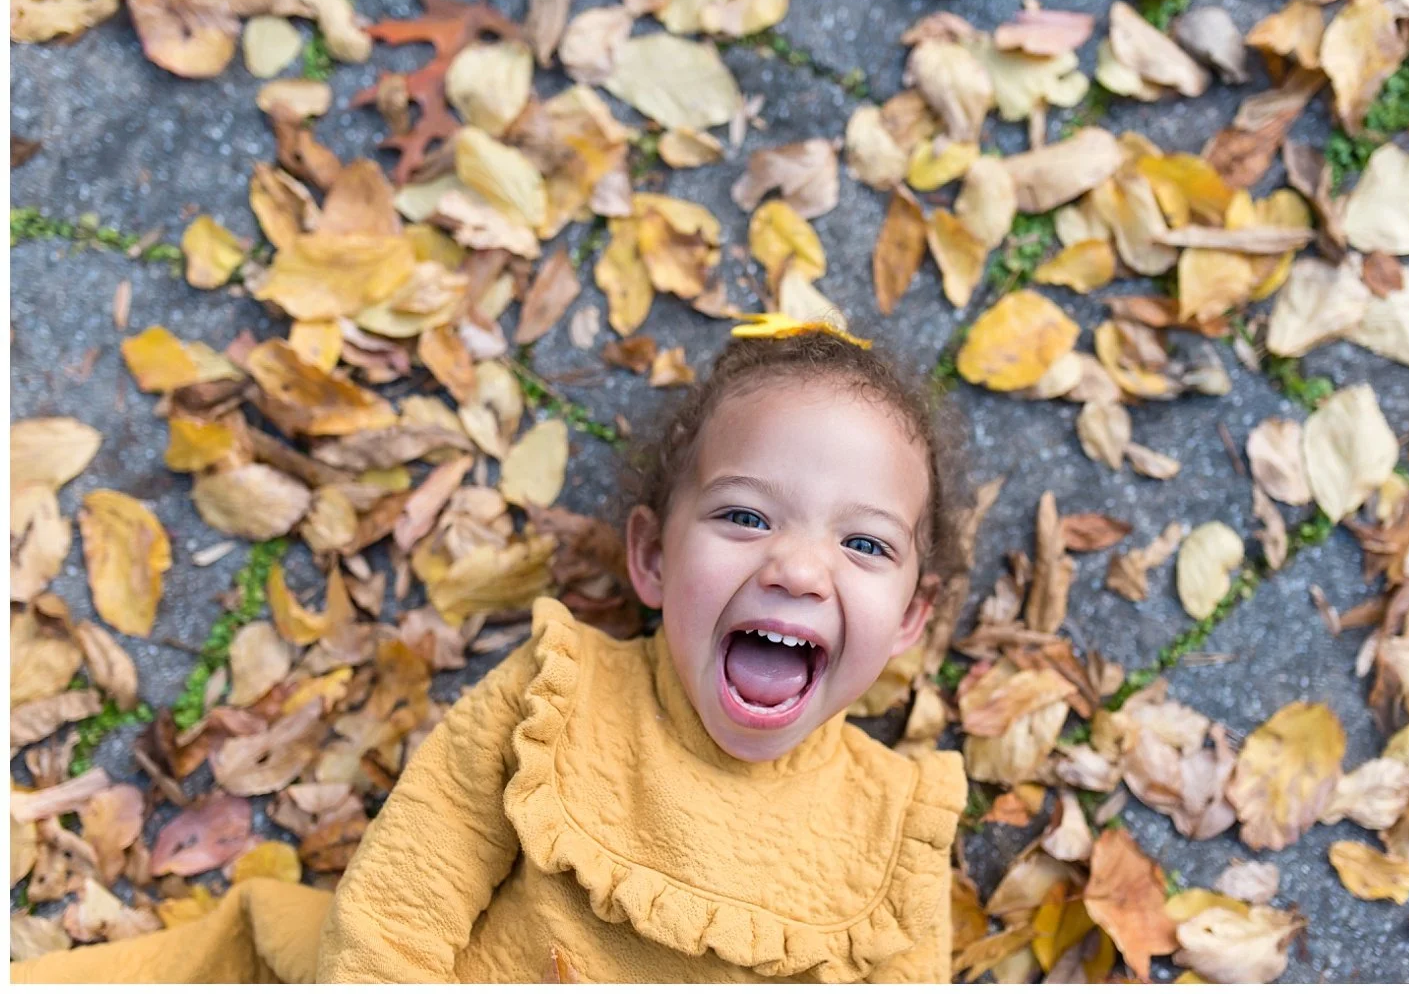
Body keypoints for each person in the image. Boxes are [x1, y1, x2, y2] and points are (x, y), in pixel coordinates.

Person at [13, 320, 971, 983]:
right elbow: (404, 898)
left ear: (911, 617)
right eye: (745, 515)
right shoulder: (561, 698)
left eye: (865, 543)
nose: (799, 567)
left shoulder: (896, 831)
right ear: (650, 556)